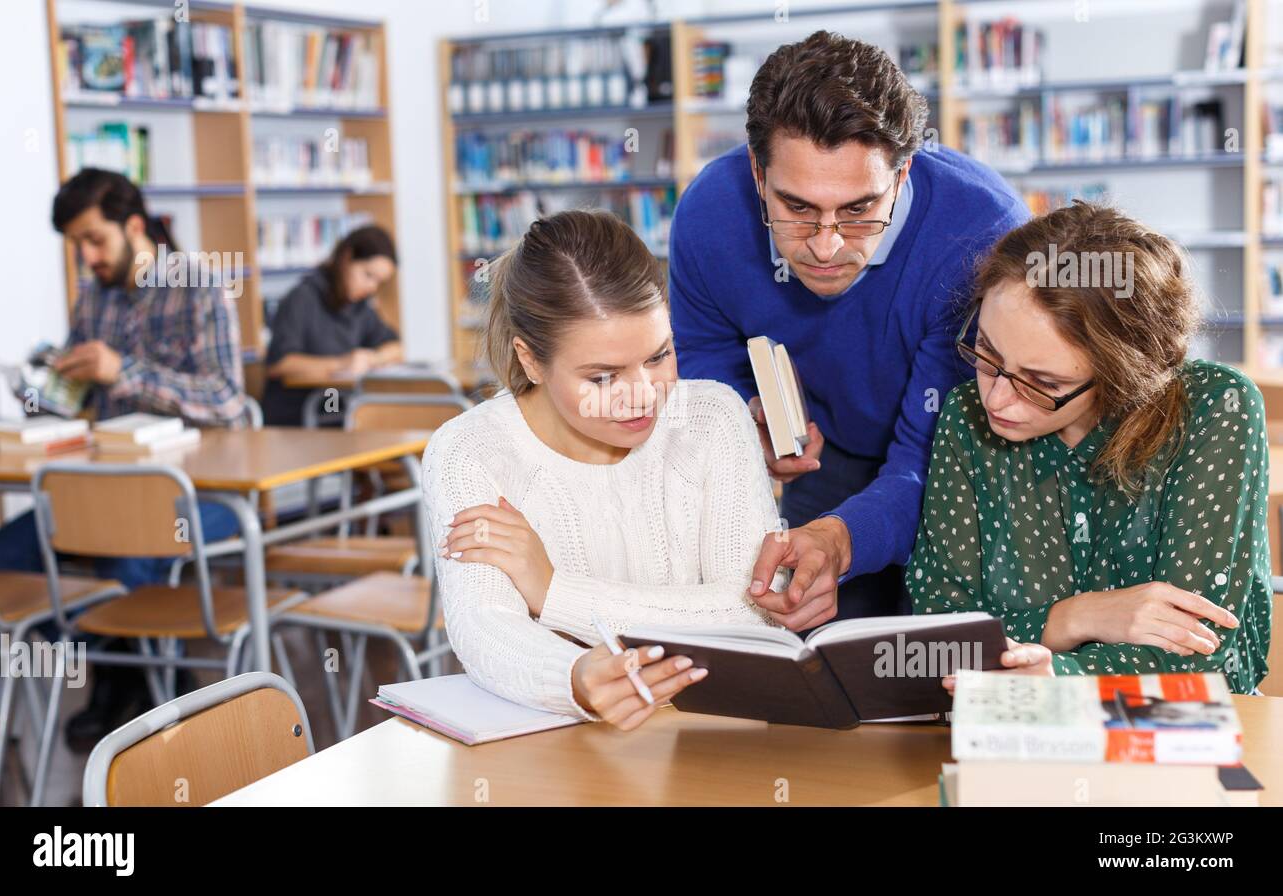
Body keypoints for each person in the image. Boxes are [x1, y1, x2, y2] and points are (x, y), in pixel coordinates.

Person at [669, 30, 1029, 631]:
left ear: (904, 171)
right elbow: (707, 357)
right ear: (758, 174)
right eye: (799, 208)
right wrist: (743, 424)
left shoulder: (982, 237)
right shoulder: (709, 215)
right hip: (823, 457)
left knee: (940, 664)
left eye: (860, 209)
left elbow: (926, 457)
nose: (826, 246)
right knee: (816, 657)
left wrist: (842, 541)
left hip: (957, 464)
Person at [422, 209, 786, 729]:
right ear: (529, 361)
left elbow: (756, 613)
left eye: (659, 356)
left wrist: (553, 593)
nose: (643, 396)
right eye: (602, 377)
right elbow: (484, 627)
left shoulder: (712, 416)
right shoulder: (470, 450)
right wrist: (575, 679)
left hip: (717, 736)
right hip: (559, 752)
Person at [910, 201, 1271, 695]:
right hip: (1001, 735)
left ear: (1123, 377)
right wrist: (1078, 617)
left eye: (1041, 382)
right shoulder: (964, 411)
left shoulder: (1216, 408)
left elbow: (1203, 658)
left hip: (1183, 737)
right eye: (987, 353)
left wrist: (1057, 674)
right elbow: (937, 636)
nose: (996, 398)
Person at [0, 168, 246, 744]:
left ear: (133, 226)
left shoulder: (199, 285)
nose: (86, 257)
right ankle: (138, 667)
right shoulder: (94, 299)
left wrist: (122, 372)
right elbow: (81, 402)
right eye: (76, 244)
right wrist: (44, 394)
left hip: (200, 494)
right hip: (105, 492)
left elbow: (226, 401)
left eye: (94, 240)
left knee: (125, 557)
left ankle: (124, 686)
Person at [261, 225, 402, 425]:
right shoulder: (302, 299)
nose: (372, 287)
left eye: (379, 282)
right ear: (346, 258)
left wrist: (372, 358)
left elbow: (395, 347)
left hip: (337, 409)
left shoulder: (359, 306)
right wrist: (342, 364)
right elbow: (279, 365)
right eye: (368, 275)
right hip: (298, 417)